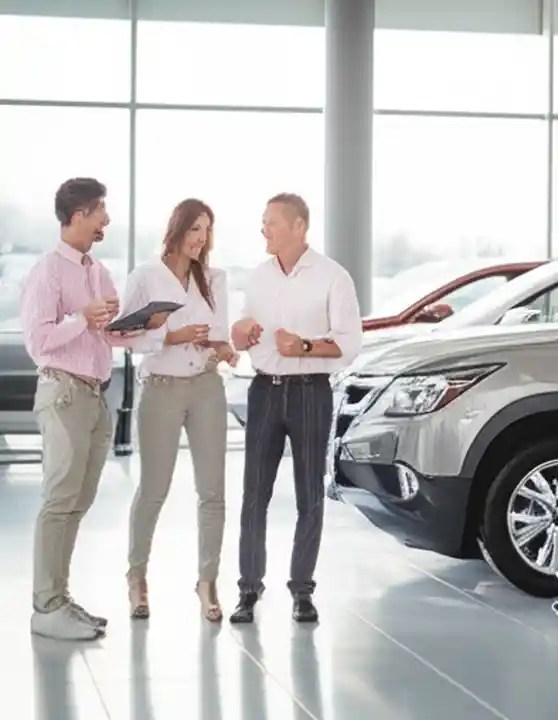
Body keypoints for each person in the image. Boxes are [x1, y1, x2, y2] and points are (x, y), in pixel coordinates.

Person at [20, 178, 149, 640]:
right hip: (64, 393)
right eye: (100, 212)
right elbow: (38, 342)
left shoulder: (97, 271)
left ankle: (60, 598)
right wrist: (82, 318)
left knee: (78, 501)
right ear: (78, 216)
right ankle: (45, 607)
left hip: (95, 396)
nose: (106, 221)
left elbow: (108, 334)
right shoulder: (48, 271)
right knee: (59, 501)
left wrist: (138, 326)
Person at [229, 192, 362, 624]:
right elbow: (242, 333)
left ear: (299, 226)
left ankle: (302, 591)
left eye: (271, 222)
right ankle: (248, 590)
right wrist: (240, 334)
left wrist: (303, 346)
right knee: (254, 495)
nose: (263, 229)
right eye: (263, 221)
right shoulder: (259, 277)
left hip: (310, 393)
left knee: (309, 494)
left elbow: (349, 344)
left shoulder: (333, 276)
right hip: (265, 390)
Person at [119, 198, 238, 623]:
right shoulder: (145, 276)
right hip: (161, 389)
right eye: (194, 228)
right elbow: (125, 338)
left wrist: (225, 350)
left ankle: (208, 582)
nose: (201, 238)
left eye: (206, 230)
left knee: (213, 492)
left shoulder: (215, 279)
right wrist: (171, 336)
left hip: (206, 386)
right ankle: (137, 577)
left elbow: (220, 336)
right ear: (177, 228)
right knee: (154, 489)